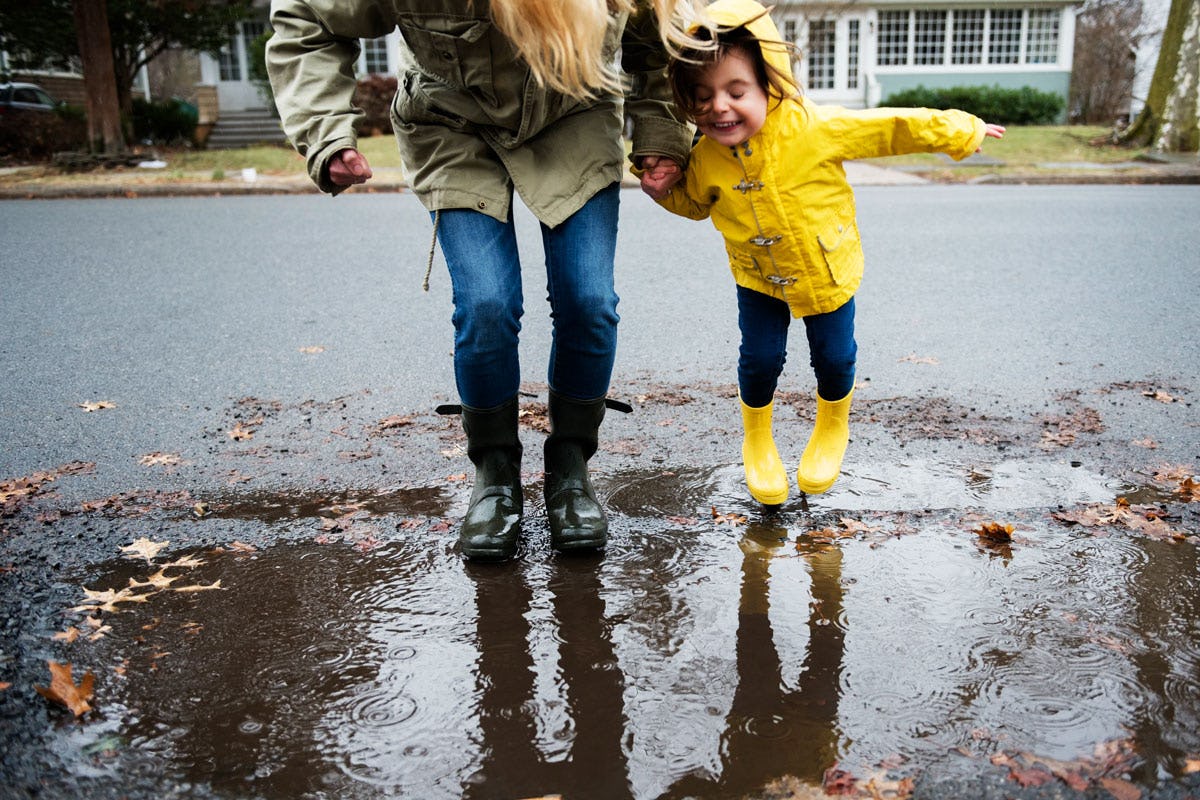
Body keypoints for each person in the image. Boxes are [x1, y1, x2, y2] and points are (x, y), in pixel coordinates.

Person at [267, 0, 704, 560]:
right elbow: (309, 18)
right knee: (486, 304)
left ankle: (570, 471)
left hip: (573, 112)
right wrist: (326, 131)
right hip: (450, 125)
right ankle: (495, 475)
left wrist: (661, 133)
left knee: (589, 300)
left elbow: (654, 43)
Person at [639, 0, 1005, 505]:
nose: (719, 107)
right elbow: (696, 205)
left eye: (736, 91)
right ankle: (758, 437)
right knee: (759, 360)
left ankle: (832, 424)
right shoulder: (705, 157)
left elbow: (892, 127)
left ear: (769, 81)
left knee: (834, 359)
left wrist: (961, 131)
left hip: (826, 270)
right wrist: (665, 193)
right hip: (757, 275)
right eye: (702, 98)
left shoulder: (815, 128)